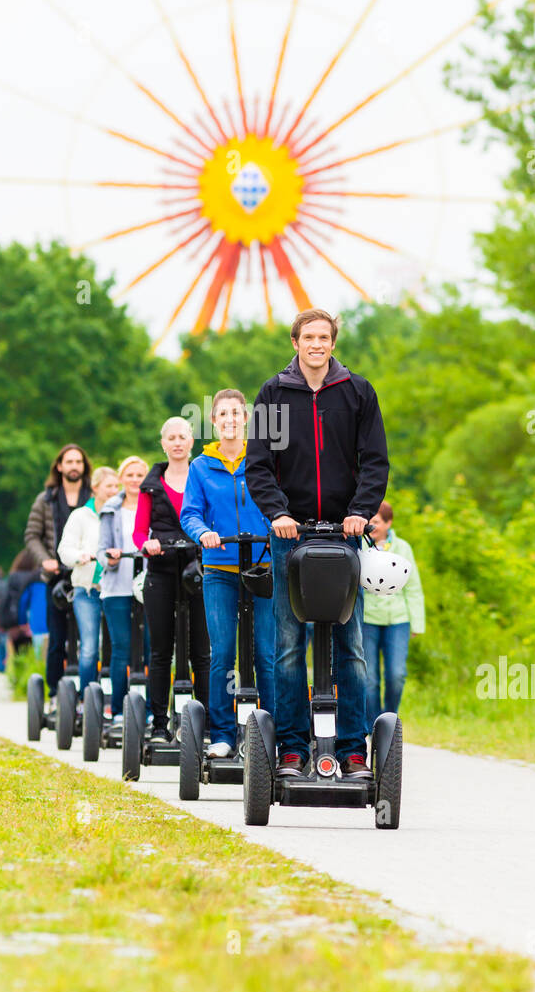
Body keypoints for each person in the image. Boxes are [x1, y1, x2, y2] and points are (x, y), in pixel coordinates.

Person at [246, 308, 389, 778]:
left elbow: (374, 462)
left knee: (352, 645)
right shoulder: (274, 393)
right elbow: (259, 466)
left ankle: (351, 749)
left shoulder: (357, 392)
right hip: (292, 535)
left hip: (345, 536)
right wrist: (278, 513)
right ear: (295, 342)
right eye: (309, 337)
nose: (317, 344)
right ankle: (291, 747)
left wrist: (360, 512)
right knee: (288, 644)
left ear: (333, 342)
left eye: (324, 337)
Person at [181, 389, 275, 758]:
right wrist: (203, 532)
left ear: (246, 419)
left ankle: (274, 731)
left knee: (268, 653)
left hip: (263, 566)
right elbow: (191, 512)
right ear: (214, 422)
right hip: (220, 567)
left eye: (237, 413)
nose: (231, 419)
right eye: (224, 414)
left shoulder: (263, 460)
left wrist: (276, 526)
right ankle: (222, 734)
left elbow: (277, 503)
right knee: (221, 652)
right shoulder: (201, 467)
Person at [135, 418, 210, 740]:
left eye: (182, 437)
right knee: (160, 651)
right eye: (171, 438)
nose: (177, 442)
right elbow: (139, 530)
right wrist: (146, 544)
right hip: (162, 568)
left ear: (191, 441)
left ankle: (207, 725)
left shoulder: (204, 474)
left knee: (202, 652)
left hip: (198, 567)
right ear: (163, 443)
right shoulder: (151, 485)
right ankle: (159, 724)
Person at [25, 444, 92, 698]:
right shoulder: (46, 500)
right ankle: (54, 693)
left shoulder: (93, 497)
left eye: (79, 462)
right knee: (57, 638)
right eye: (69, 461)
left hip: (88, 576)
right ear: (60, 466)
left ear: (84, 467)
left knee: (90, 639)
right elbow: (32, 536)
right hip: (56, 577)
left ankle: (92, 694)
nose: (74, 466)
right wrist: (44, 560)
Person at [97, 457, 149, 734]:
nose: (135, 479)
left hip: (146, 584)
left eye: (140, 474)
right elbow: (101, 549)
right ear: (121, 478)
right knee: (121, 648)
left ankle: (153, 711)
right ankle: (116, 710)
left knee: (152, 648)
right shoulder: (111, 510)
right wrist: (111, 559)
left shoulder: (153, 505)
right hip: (117, 586)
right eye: (130, 474)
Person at [363, 501, 425, 724]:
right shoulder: (361, 545)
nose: (372, 526)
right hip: (367, 619)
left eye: (377, 522)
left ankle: (389, 720)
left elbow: (414, 586)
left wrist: (417, 623)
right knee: (369, 679)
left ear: (389, 523)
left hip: (398, 620)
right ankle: (372, 724)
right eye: (369, 521)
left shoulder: (403, 548)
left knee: (396, 675)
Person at [57, 492, 102, 699]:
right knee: (89, 648)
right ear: (96, 489)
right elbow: (65, 550)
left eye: (114, 486)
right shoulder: (81, 516)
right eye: (107, 486)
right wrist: (79, 556)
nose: (112, 491)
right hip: (87, 586)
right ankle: (87, 700)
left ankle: (118, 703)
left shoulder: (121, 512)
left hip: (117, 588)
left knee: (122, 648)